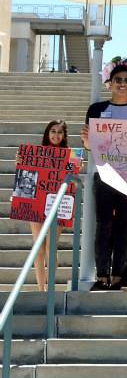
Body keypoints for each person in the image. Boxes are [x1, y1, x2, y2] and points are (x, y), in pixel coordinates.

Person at [80, 57, 127, 290]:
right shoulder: (97, 109)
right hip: (104, 176)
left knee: (123, 227)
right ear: (109, 83)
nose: (122, 84)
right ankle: (101, 275)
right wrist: (87, 141)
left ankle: (119, 276)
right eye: (117, 80)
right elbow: (91, 148)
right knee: (104, 225)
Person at [16, 121, 75, 291]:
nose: (56, 135)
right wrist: (20, 163)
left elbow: (72, 180)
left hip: (58, 203)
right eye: (53, 131)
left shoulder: (70, 156)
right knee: (38, 247)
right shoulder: (36, 154)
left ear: (64, 136)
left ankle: (50, 288)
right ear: (47, 134)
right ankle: (41, 289)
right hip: (37, 202)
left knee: (51, 246)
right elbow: (25, 175)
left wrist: (77, 168)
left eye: (59, 132)